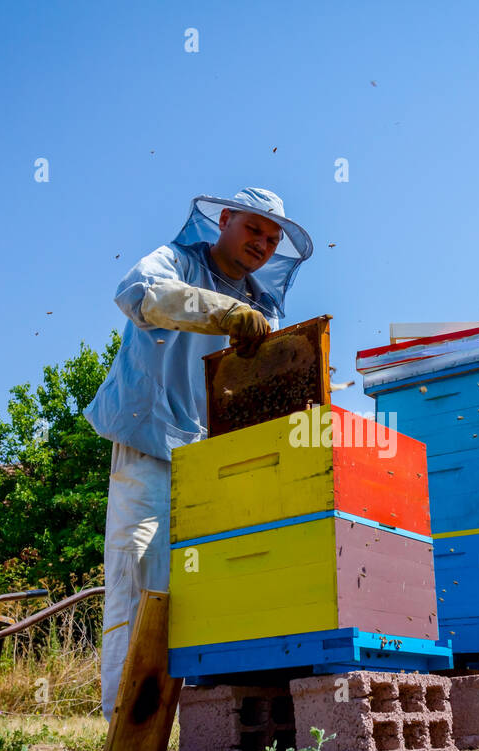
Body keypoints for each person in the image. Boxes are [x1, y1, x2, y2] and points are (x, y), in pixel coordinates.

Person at [83, 188, 314, 718]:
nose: (262, 243)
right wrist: (221, 311)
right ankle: (127, 719)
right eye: (254, 229)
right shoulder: (175, 261)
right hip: (149, 439)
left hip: (217, 460)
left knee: (204, 585)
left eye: (273, 239)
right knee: (138, 566)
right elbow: (137, 293)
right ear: (225, 220)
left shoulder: (264, 308)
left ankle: (198, 718)